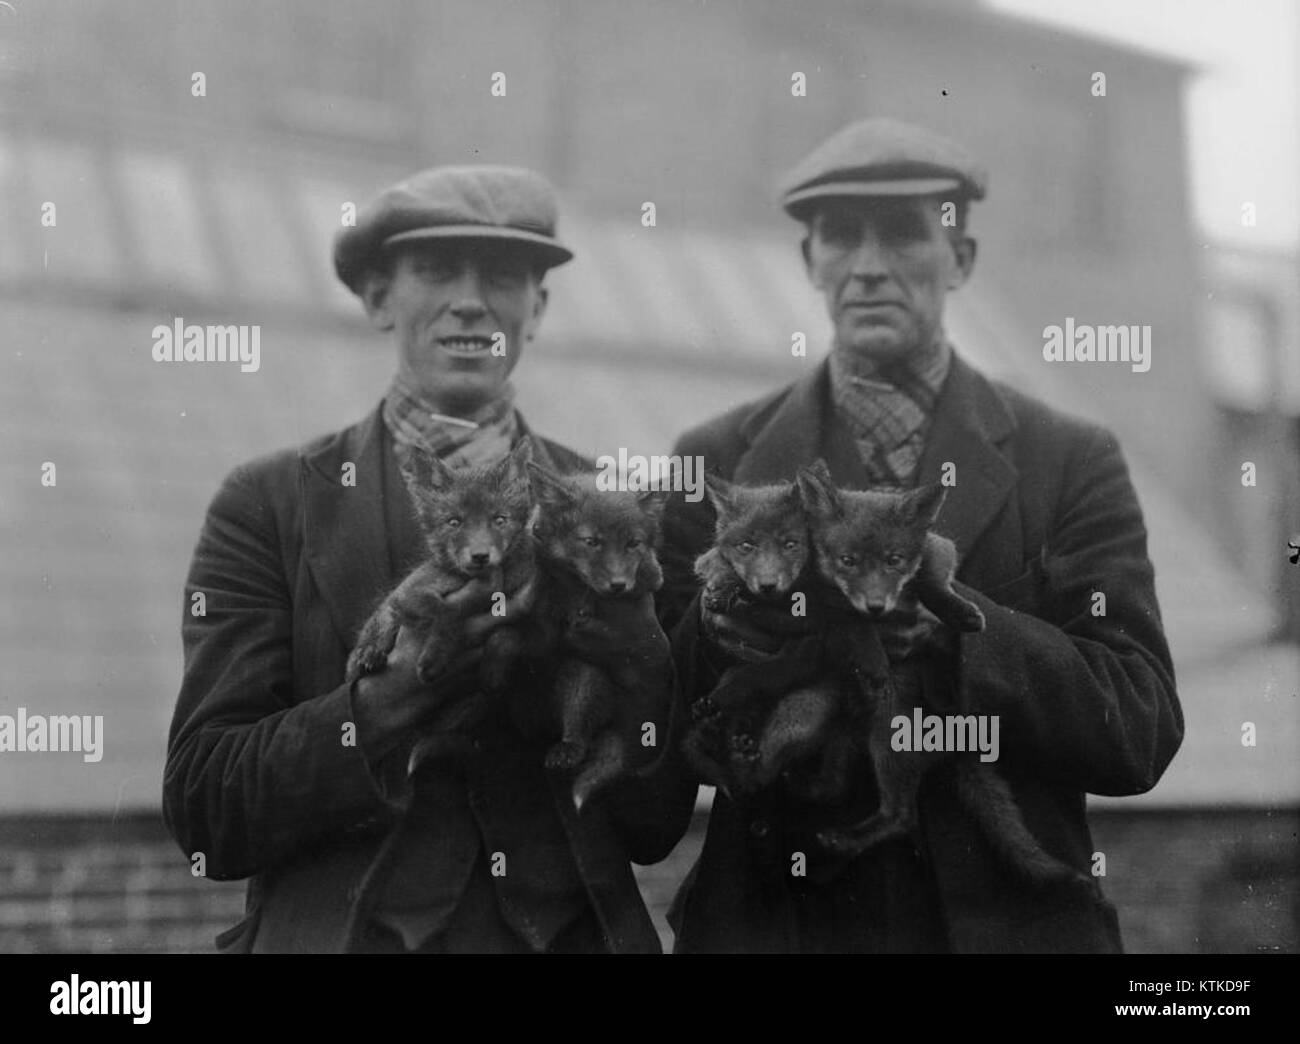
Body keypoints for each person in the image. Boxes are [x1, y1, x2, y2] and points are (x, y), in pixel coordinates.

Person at [655, 118, 1185, 953]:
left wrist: (959, 636)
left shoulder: (1068, 460)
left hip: (1005, 930)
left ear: (961, 260)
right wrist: (722, 632)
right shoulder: (714, 461)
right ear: (810, 265)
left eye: (904, 233)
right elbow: (659, 744)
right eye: (840, 236)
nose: (869, 266)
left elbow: (1138, 725)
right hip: (781, 928)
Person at [163, 165, 677, 953]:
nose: (469, 300)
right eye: (435, 271)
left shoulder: (610, 512)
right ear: (377, 298)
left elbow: (655, 824)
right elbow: (208, 806)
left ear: (536, 307)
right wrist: (386, 702)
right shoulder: (270, 504)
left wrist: (645, 673)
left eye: (503, 275)